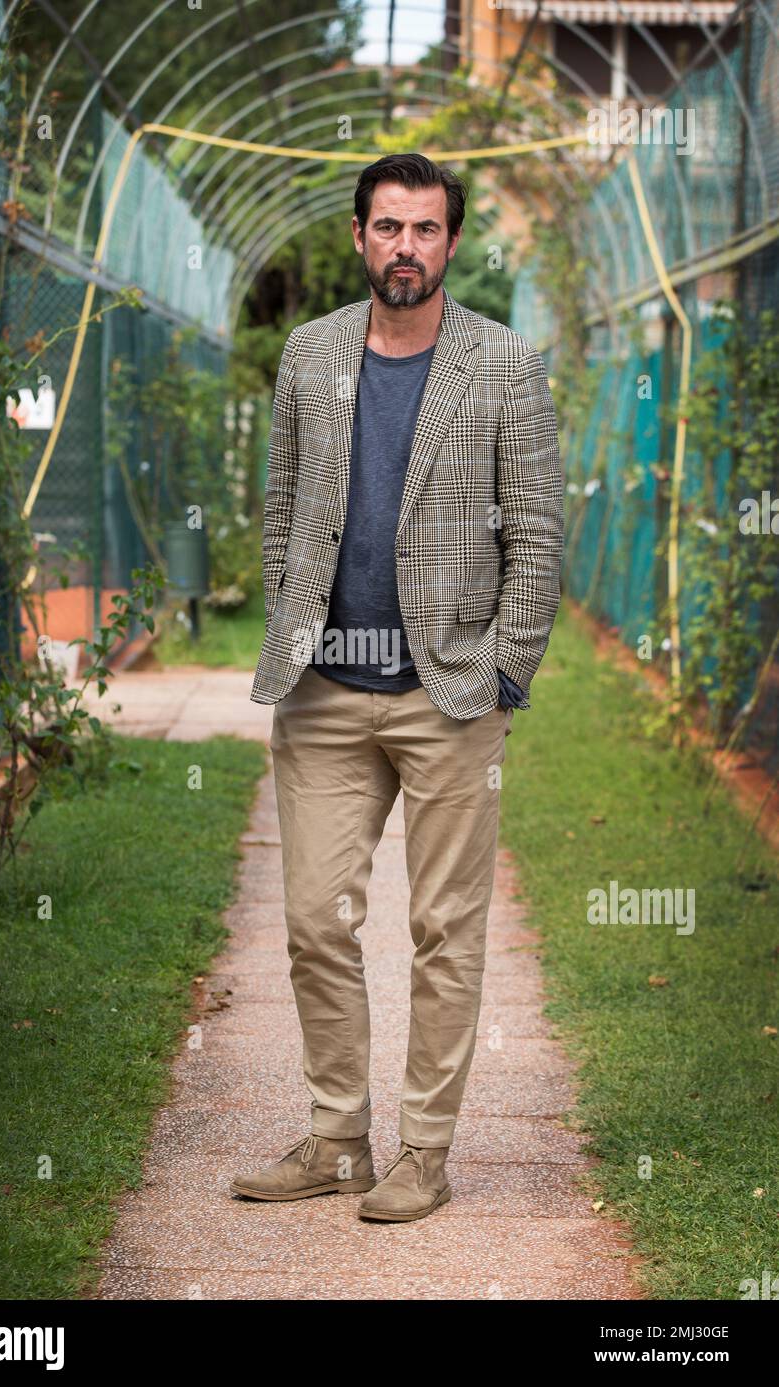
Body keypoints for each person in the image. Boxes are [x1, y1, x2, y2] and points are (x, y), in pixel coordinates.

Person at [231, 152, 564, 1223]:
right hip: (323, 690)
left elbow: (540, 533)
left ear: (449, 243)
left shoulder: (503, 365)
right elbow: (282, 505)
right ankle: (337, 1141)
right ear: (360, 235)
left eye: (424, 229)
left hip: (449, 689)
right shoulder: (309, 353)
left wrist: (505, 668)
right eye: (387, 227)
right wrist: (288, 623)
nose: (404, 247)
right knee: (315, 921)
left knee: (441, 927)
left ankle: (422, 1149)